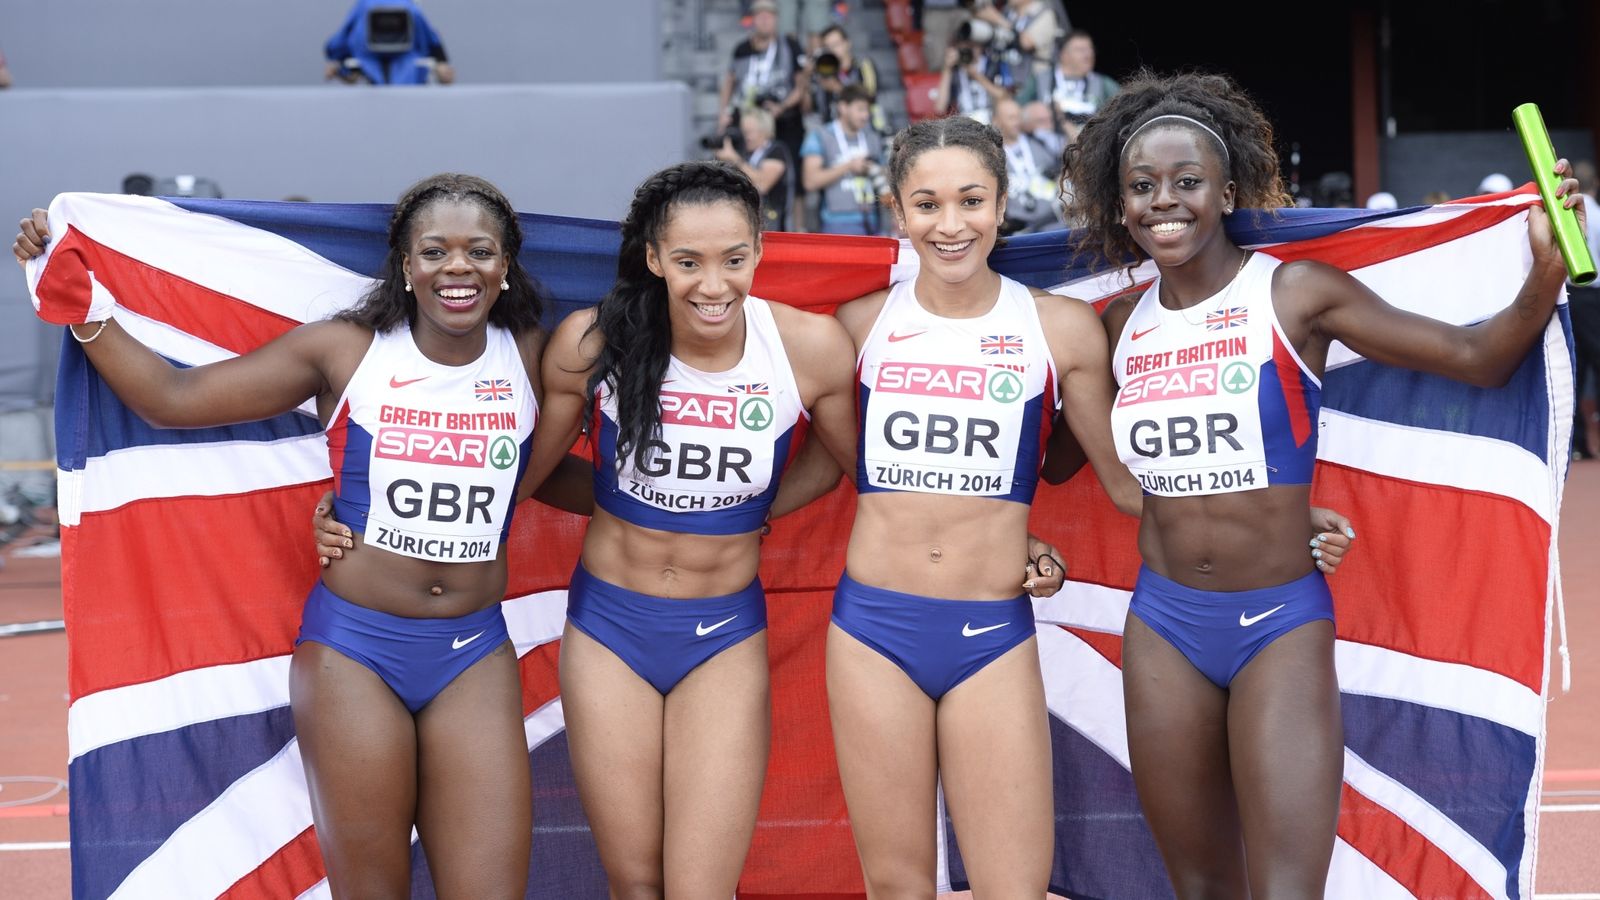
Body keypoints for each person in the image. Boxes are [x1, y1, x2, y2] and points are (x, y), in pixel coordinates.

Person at [1061, 70, 1578, 898]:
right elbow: (1056, 461)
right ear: (1119, 205)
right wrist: (1030, 341)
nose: (1164, 202)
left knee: (1287, 890)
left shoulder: (1294, 294)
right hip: (1163, 625)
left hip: (1278, 623)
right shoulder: (1120, 325)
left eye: (1187, 182)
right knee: (1199, 888)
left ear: (1228, 192)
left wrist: (1544, 271)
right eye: (1142, 187)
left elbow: (1476, 358)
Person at [14, 174, 555, 896]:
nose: (458, 267)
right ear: (405, 265)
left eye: (479, 251)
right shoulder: (346, 350)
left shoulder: (528, 353)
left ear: (505, 264)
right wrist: (86, 312)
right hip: (356, 653)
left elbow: (562, 467)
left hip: (473, 651)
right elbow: (175, 399)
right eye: (435, 251)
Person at [721, 0, 811, 167]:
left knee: (789, 165)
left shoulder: (790, 45)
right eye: (760, 16)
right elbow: (729, 82)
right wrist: (724, 113)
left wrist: (781, 107)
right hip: (749, 119)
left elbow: (801, 86)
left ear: (776, 19)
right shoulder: (742, 49)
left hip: (784, 119)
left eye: (768, 16)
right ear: (753, 19)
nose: (764, 20)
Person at [802, 84, 889, 235]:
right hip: (836, 222)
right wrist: (848, 166)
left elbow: (887, 178)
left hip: (872, 220)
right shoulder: (821, 136)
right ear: (843, 107)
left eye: (867, 110)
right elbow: (810, 181)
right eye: (860, 109)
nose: (865, 116)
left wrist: (875, 170)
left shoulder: (872, 137)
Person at [324, 0, 454, 85]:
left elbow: (339, 44)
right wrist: (340, 68)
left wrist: (441, 65)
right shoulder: (410, 7)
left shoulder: (364, 7)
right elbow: (432, 41)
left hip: (405, 75)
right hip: (392, 85)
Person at [993, 97, 1065, 234]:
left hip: (1055, 221)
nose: (1017, 122)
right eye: (1011, 118)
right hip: (1019, 229)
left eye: (1018, 117)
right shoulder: (992, 154)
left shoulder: (1040, 141)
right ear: (996, 121)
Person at [717, 106, 795, 231]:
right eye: (743, 132)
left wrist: (735, 159)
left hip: (775, 224)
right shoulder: (746, 153)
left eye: (749, 132)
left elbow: (763, 185)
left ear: (764, 131)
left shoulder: (776, 151)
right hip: (751, 221)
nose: (746, 137)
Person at [1040, 30, 1119, 140]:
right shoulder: (1041, 79)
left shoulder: (1104, 83)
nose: (1088, 55)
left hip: (1090, 142)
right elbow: (1019, 111)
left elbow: (1124, 110)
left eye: (1090, 49)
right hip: (1045, 144)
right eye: (1080, 50)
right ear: (1063, 55)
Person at [809, 24, 883, 131]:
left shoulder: (864, 66)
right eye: (827, 47)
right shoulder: (823, 72)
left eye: (835, 44)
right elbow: (814, 108)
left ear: (847, 43)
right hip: (833, 131)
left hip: (866, 127)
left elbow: (870, 97)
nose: (832, 50)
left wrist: (837, 88)